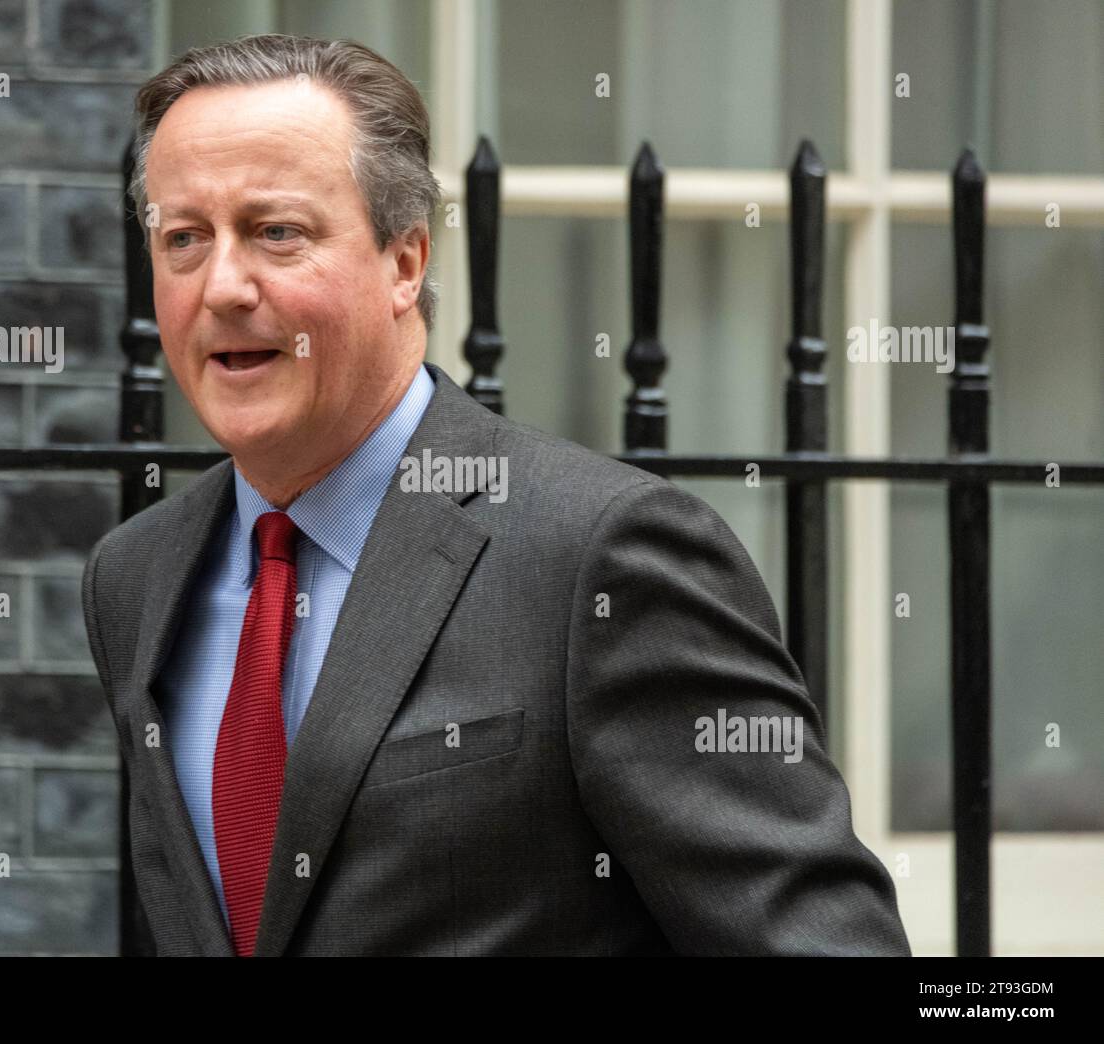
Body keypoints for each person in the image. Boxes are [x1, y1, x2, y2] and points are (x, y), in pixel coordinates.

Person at [81, 33, 911, 957]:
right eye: (183, 239)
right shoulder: (136, 576)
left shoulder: (604, 554)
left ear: (405, 262)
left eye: (278, 232)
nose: (224, 286)